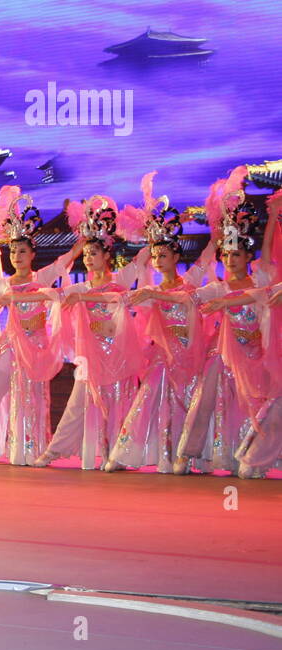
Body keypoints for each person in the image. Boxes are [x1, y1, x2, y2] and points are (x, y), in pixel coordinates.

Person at [0, 188, 81, 464]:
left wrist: (84, 236)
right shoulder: (3, 283)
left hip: (35, 348)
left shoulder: (41, 278)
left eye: (22, 251)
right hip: (10, 344)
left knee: (32, 398)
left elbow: (67, 258)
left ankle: (29, 450)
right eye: (12, 251)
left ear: (32, 254)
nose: (16, 256)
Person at [105, 174, 215, 472]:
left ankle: (182, 455)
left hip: (189, 356)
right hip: (162, 356)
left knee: (185, 404)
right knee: (148, 398)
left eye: (163, 254)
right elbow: (126, 300)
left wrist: (217, 230)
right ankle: (126, 454)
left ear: (175, 255)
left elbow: (206, 258)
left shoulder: (190, 282)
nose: (157, 259)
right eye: (155, 255)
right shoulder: (151, 291)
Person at [174, 168, 276, 474]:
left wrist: (273, 218)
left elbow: (268, 255)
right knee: (205, 400)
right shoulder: (218, 287)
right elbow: (191, 298)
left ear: (248, 257)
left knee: (252, 404)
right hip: (223, 353)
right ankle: (189, 454)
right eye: (226, 255)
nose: (230, 260)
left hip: (256, 354)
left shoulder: (261, 278)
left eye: (236, 255)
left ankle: (248, 457)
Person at [35, 197, 146, 469]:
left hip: (117, 353)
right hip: (90, 357)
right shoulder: (80, 288)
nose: (89, 258)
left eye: (93, 253)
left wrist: (149, 231)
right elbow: (47, 290)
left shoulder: (119, 282)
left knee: (118, 402)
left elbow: (142, 259)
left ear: (107, 255)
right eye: (86, 254)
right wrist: (73, 253)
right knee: (77, 405)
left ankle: (117, 455)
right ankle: (54, 451)